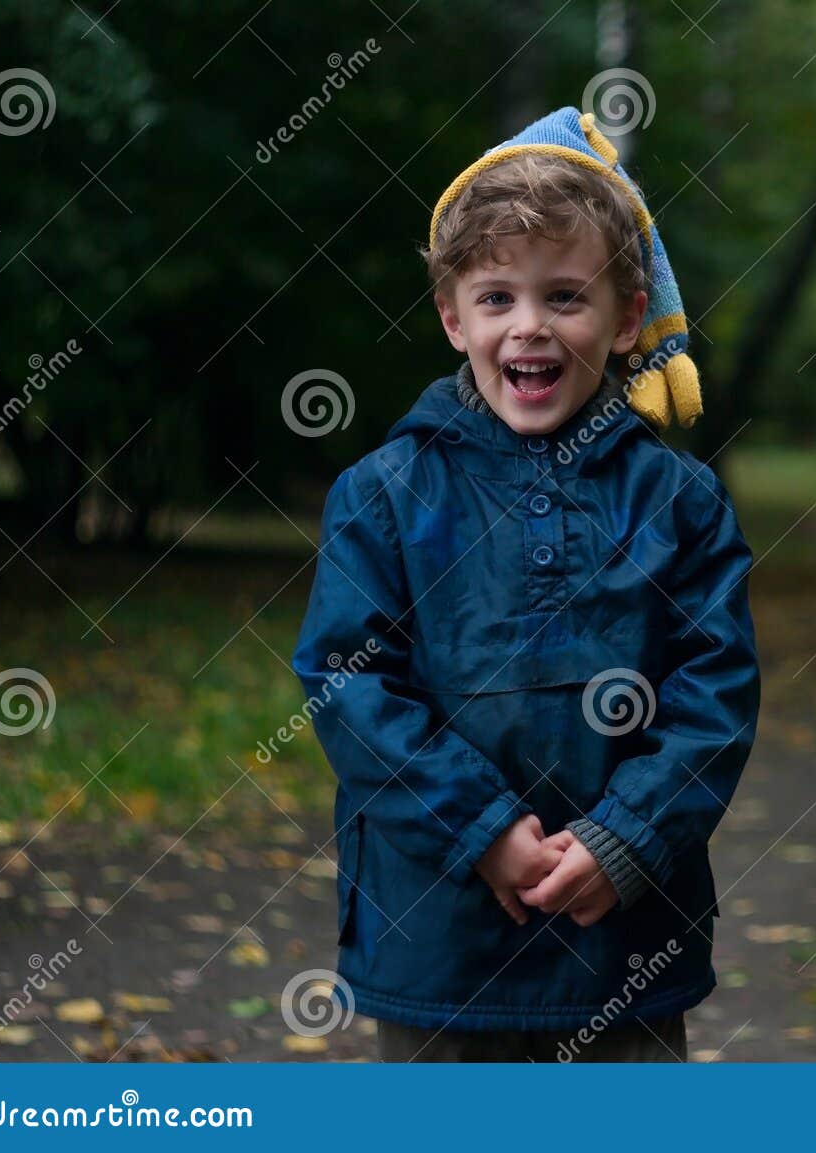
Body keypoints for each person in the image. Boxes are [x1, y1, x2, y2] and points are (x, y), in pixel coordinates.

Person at [292, 107, 760, 1062]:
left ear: (628, 317)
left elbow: (716, 693)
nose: (529, 326)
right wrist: (484, 826)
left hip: (623, 944)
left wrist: (624, 838)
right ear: (452, 315)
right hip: (439, 936)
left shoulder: (681, 501)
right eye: (497, 297)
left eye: (566, 296)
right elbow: (351, 682)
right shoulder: (382, 493)